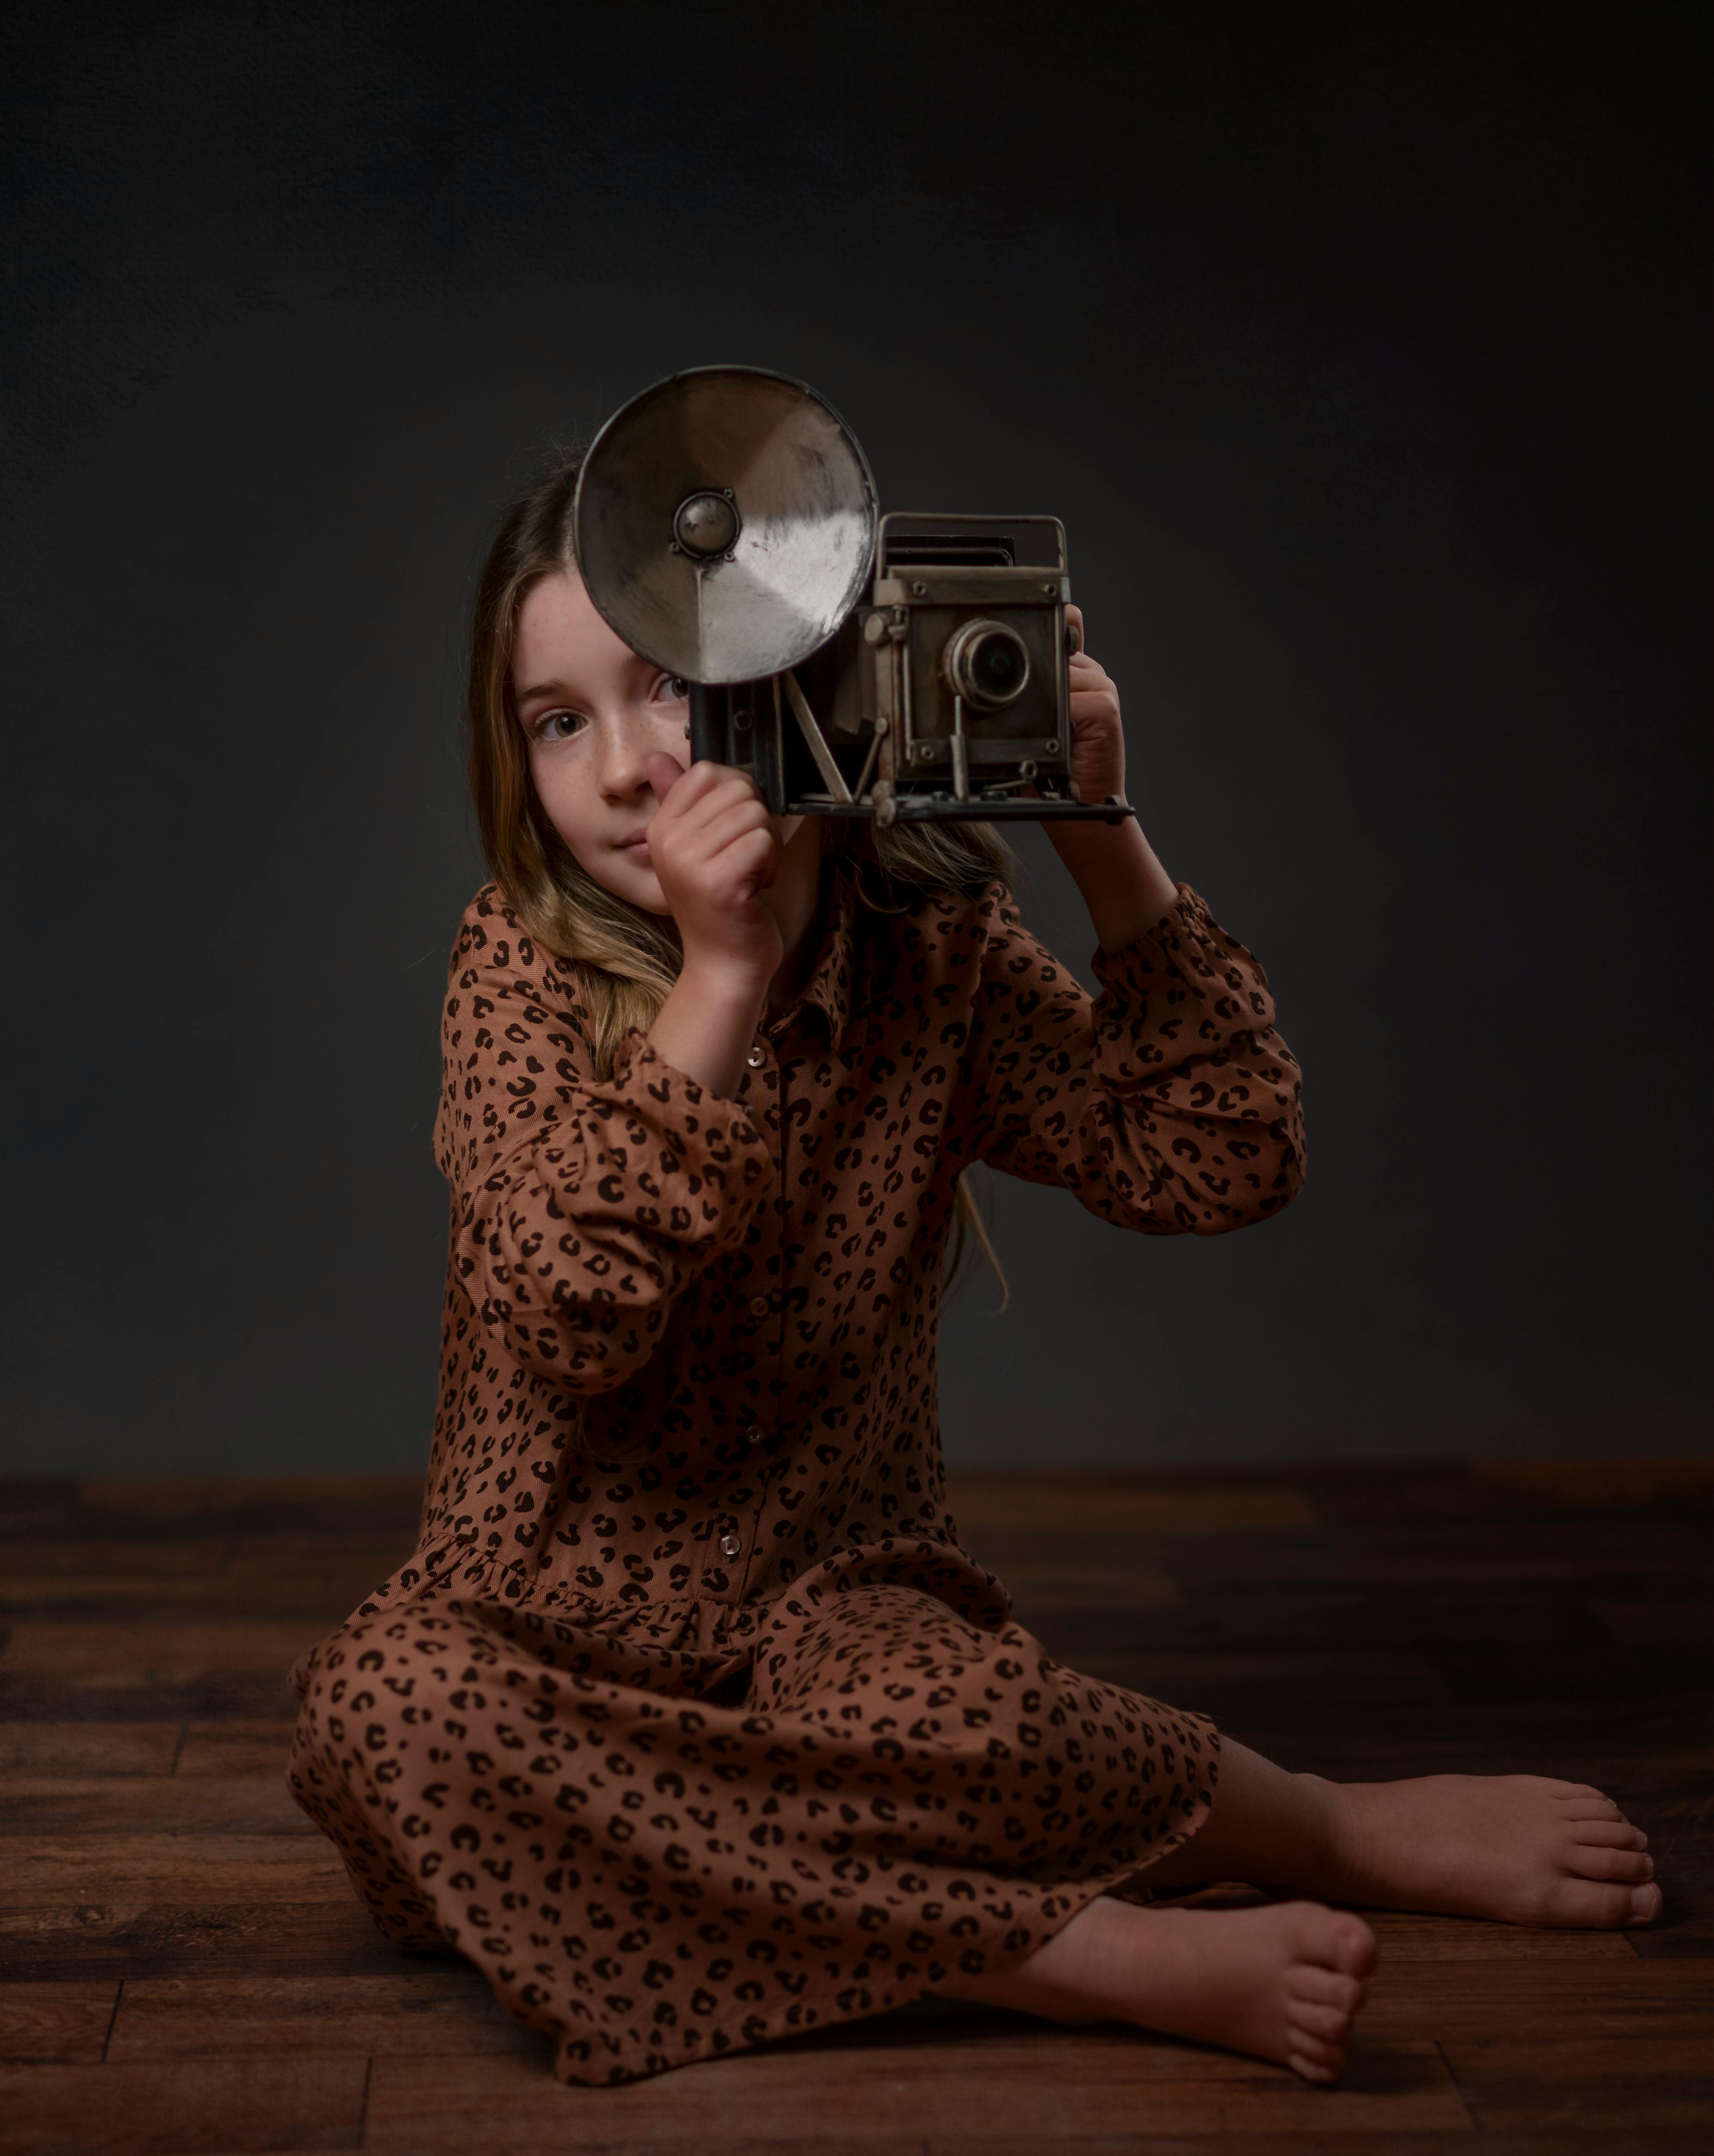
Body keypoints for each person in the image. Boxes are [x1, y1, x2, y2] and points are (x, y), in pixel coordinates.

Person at [287, 451, 1660, 2090]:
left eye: (662, 687)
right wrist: (714, 989)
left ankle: (1329, 1828)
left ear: (781, 669)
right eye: (556, 719)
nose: (624, 767)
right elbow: (565, 1311)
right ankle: (1067, 1955)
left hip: (836, 1614)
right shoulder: (512, 966)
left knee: (977, 1724)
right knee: (381, 1710)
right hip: (541, 1637)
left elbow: (1218, 1155)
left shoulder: (924, 951)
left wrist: (1101, 837)